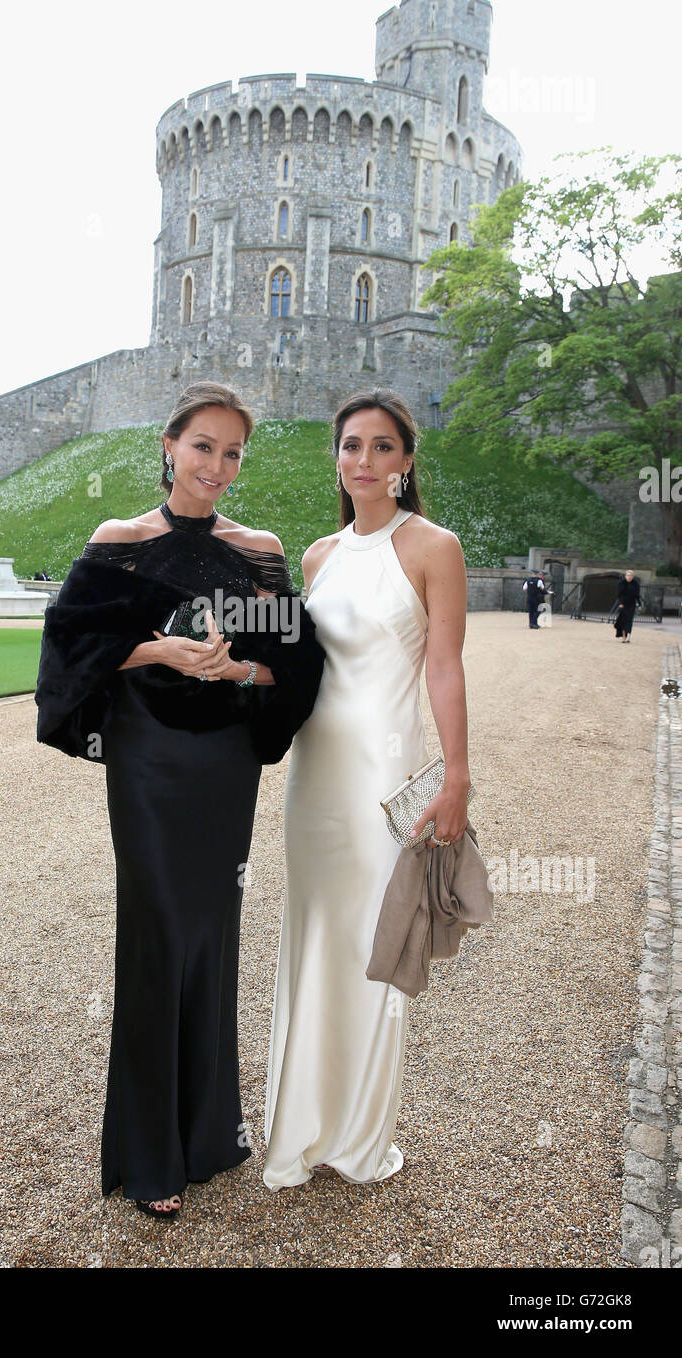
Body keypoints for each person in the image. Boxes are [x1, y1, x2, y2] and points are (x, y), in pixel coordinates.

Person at [34, 381, 325, 1220]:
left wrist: (236, 667)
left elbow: (298, 669)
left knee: (213, 930)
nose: (217, 466)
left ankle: (209, 1133)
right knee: (159, 929)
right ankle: (152, 1155)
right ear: (170, 446)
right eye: (204, 446)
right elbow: (72, 652)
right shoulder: (119, 542)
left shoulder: (262, 550)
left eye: (232, 452)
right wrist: (162, 648)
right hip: (149, 759)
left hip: (227, 761)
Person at [263, 389, 471, 1191]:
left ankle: (357, 1137)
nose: (365, 461)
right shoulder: (316, 556)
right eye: (352, 446)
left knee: (374, 946)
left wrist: (456, 777)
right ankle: (301, 1127)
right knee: (314, 936)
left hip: (385, 780)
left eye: (383, 447)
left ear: (407, 461)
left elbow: (446, 667)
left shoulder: (433, 547)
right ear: (338, 458)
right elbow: (299, 670)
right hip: (314, 776)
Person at [614, 568, 641, 642]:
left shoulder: (636, 584)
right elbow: (619, 594)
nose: (629, 577)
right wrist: (621, 603)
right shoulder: (622, 583)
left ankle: (628, 636)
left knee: (629, 620)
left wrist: (639, 604)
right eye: (628, 575)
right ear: (625, 576)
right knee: (623, 620)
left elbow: (637, 595)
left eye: (631, 575)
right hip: (624, 604)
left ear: (633, 576)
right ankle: (623, 637)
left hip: (631, 604)